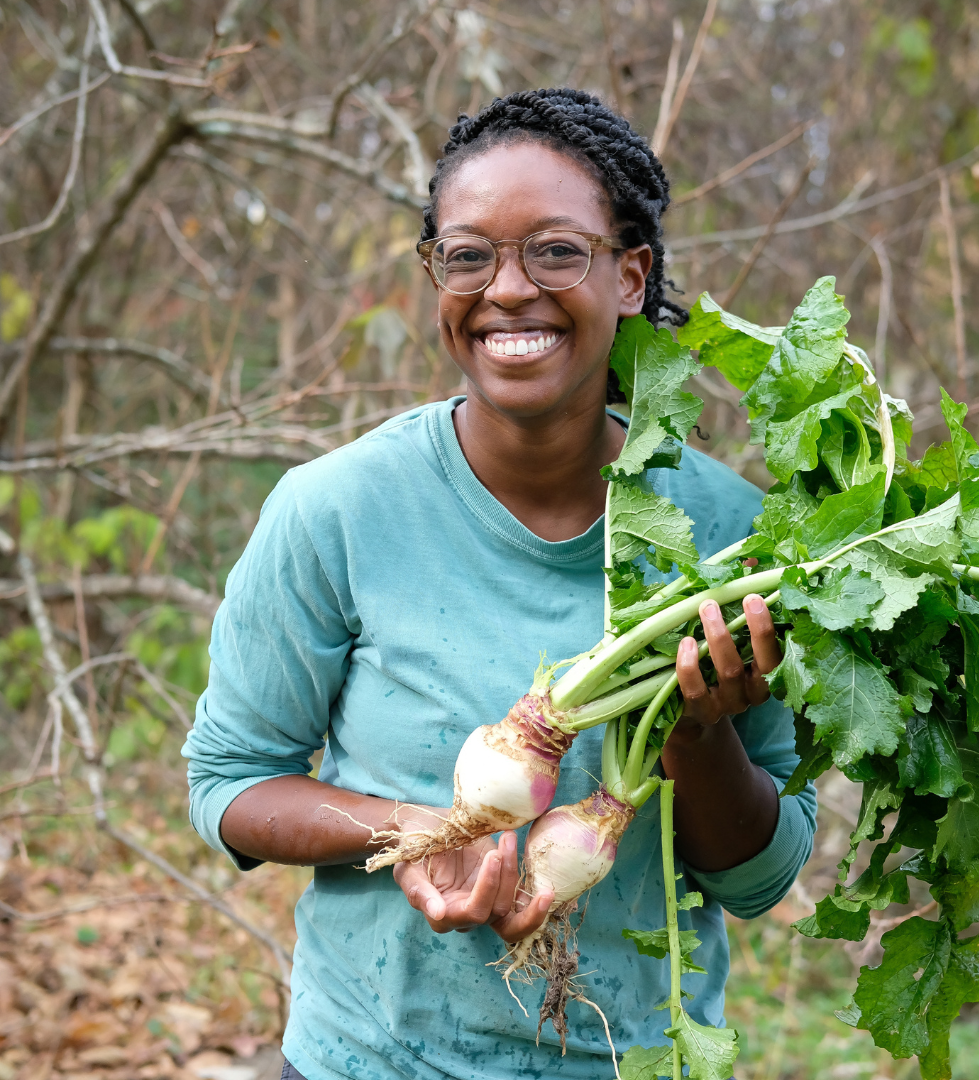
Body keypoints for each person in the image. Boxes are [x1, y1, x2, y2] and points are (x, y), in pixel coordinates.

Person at [183, 87, 816, 1080]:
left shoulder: (739, 539)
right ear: (437, 277)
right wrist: (417, 831)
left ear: (630, 274)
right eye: (468, 255)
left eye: (557, 251)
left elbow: (758, 879)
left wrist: (701, 729)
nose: (508, 290)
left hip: (632, 1060)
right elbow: (226, 783)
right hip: (369, 1060)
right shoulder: (336, 509)